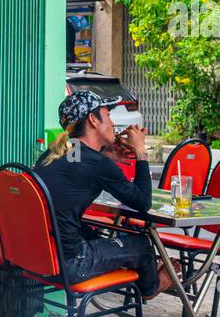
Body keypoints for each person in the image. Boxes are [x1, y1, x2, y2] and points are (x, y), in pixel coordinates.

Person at [34, 90, 176, 299]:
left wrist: (105, 154)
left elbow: (79, 166)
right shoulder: (94, 163)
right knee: (141, 245)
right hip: (69, 265)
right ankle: (151, 287)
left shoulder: (55, 154)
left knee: (98, 235)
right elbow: (143, 202)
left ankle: (145, 270)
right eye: (108, 115)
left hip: (37, 258)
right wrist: (140, 153)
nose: (112, 123)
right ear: (93, 119)